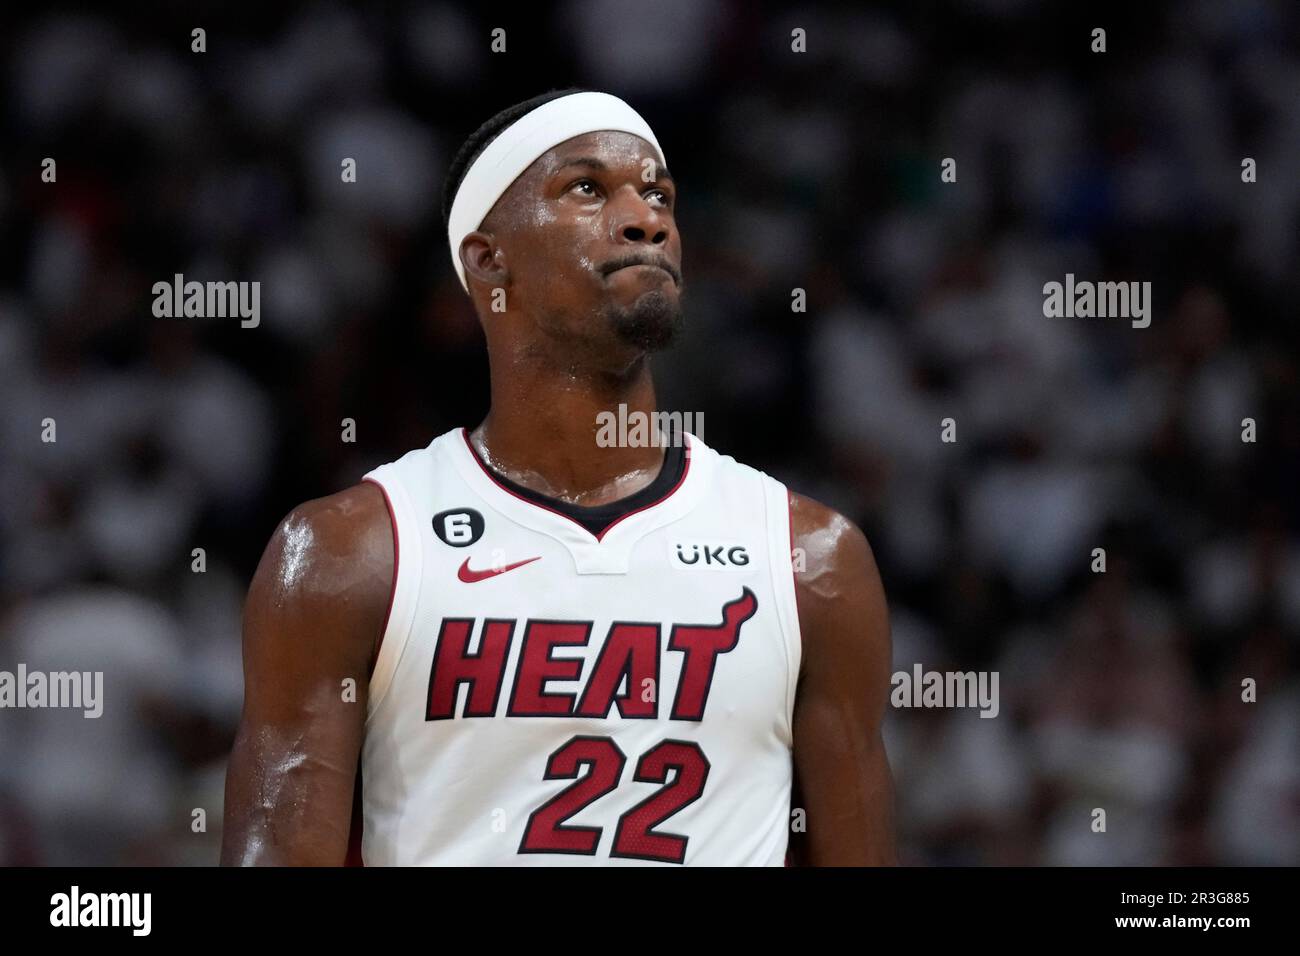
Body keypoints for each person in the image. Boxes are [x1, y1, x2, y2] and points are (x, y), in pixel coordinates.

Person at [221, 88, 896, 866]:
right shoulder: (350, 554)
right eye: (586, 189)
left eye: (658, 194)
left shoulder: (809, 560)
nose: (648, 218)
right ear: (488, 259)